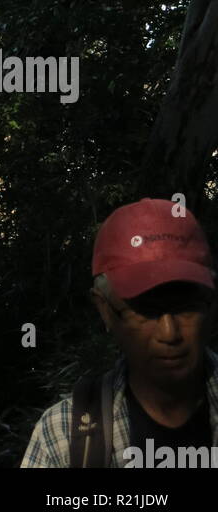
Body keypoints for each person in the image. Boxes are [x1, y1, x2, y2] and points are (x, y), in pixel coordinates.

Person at [21, 199, 218, 467]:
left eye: (186, 307)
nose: (169, 333)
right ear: (104, 309)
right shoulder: (62, 436)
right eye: (144, 311)